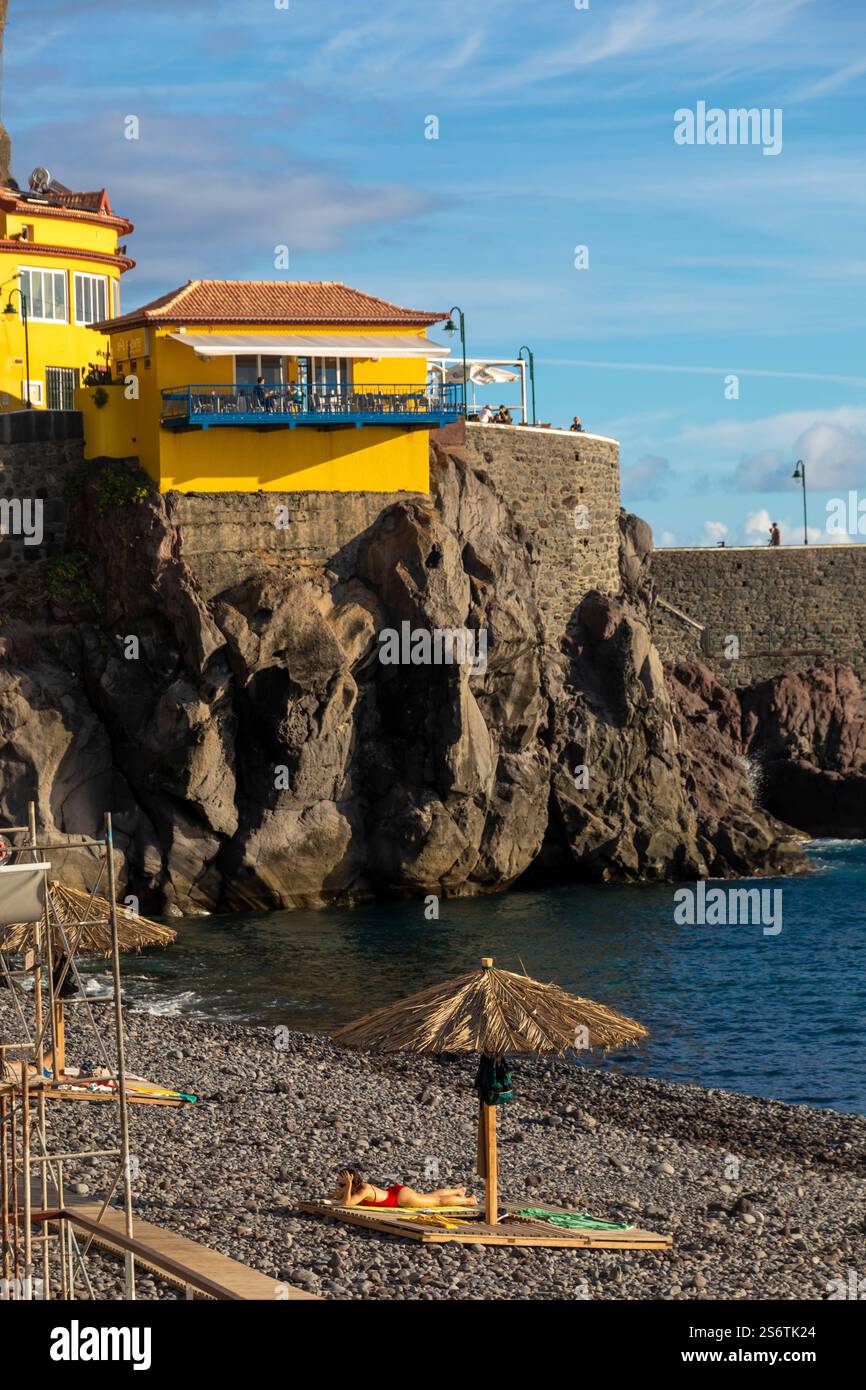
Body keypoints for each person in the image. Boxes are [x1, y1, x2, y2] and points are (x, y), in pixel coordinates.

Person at [330, 1166, 477, 1210]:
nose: (340, 1186)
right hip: (396, 1192)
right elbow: (337, 1197)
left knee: (437, 1201)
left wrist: (347, 1186)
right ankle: (459, 1191)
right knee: (430, 1195)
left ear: (351, 1181)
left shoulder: (363, 1190)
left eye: (342, 1183)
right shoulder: (356, 1187)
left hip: (401, 1199)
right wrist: (341, 1190)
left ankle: (469, 1201)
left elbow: (346, 1204)